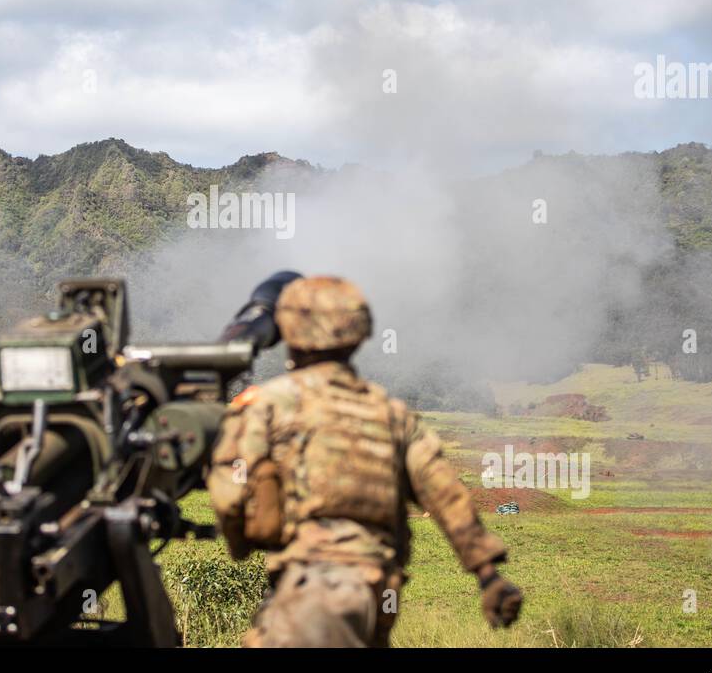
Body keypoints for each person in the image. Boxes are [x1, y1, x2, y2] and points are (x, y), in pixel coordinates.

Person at [208, 276, 522, 647]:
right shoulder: (390, 413)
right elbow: (445, 493)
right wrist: (488, 575)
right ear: (358, 333)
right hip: (378, 593)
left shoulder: (272, 403)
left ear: (289, 331)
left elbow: (230, 494)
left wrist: (240, 542)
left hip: (315, 589)